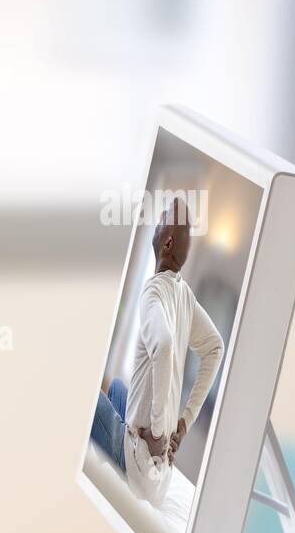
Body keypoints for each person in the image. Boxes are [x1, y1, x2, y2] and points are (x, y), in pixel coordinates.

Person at [90, 196, 225, 507]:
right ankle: (136, 438)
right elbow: (215, 348)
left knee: (85, 395)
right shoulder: (183, 293)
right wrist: (183, 423)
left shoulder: (153, 292)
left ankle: (131, 445)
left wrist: (157, 433)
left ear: (166, 243)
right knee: (118, 389)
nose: (158, 217)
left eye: (162, 216)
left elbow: (163, 347)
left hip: (140, 468)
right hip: (159, 477)